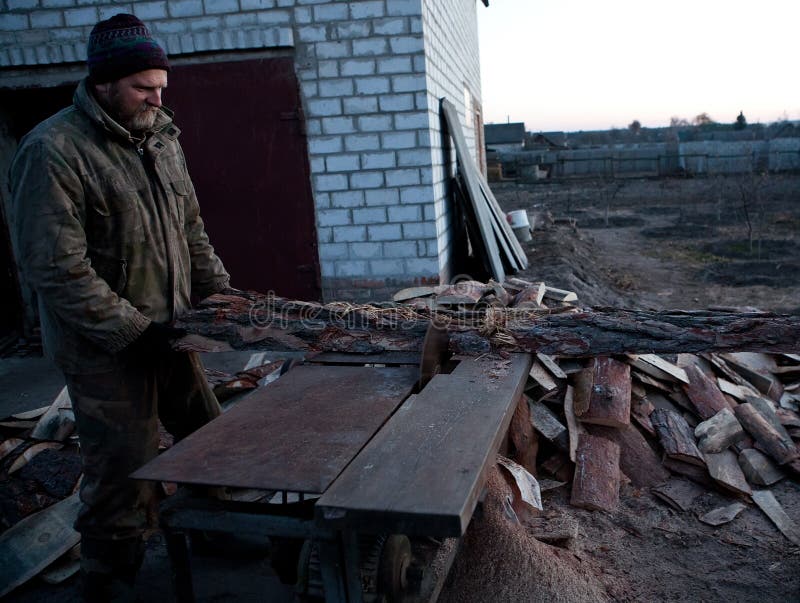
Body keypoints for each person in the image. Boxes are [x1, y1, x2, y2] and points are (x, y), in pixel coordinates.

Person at [9, 13, 231, 601]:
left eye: (161, 86)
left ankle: (217, 534)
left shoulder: (159, 137)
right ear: (103, 82)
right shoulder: (53, 151)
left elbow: (190, 229)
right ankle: (111, 582)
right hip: (105, 349)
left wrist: (221, 296)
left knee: (211, 439)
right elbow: (55, 268)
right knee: (123, 478)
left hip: (170, 332)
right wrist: (133, 332)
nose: (158, 98)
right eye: (143, 87)